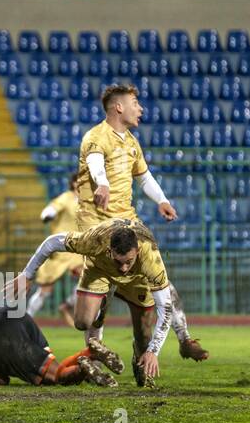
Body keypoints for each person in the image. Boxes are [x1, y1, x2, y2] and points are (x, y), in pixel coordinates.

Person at [75, 83, 208, 366]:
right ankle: (94, 348)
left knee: (159, 284)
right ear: (118, 106)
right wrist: (102, 183)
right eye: (135, 102)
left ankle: (183, 340)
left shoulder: (131, 142)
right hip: (98, 230)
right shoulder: (96, 137)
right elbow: (96, 162)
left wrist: (162, 200)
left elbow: (144, 177)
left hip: (128, 225)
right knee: (93, 306)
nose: (141, 108)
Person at [14, 218, 173, 388]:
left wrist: (153, 351)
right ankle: (102, 304)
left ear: (138, 250)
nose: (123, 268)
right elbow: (51, 243)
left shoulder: (151, 258)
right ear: (109, 250)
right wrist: (27, 274)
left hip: (138, 280)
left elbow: (165, 308)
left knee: (144, 337)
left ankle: (139, 358)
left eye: (129, 261)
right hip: (99, 270)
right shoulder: (94, 240)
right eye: (119, 261)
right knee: (82, 322)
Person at [27, 171, 84, 325]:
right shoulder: (66, 198)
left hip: (78, 248)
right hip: (61, 246)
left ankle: (69, 304)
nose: (81, 183)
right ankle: (27, 318)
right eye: (78, 180)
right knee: (45, 288)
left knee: (87, 278)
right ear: (73, 183)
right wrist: (48, 214)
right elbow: (52, 208)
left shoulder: (89, 201)